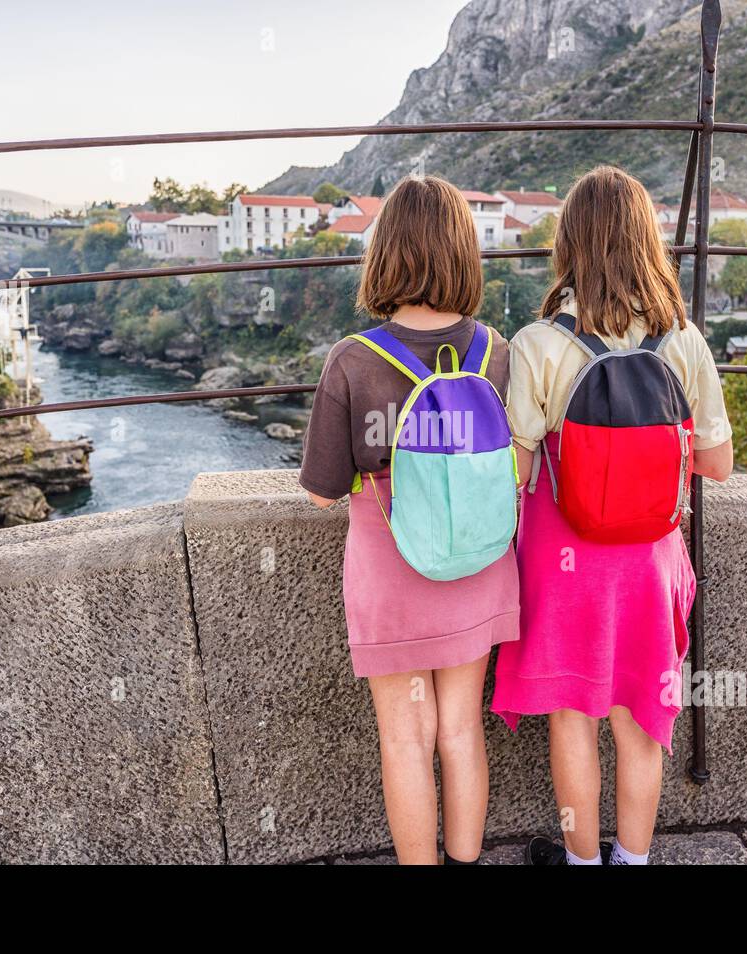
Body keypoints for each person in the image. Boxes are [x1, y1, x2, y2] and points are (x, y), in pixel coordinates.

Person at [491, 165, 734, 866]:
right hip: (648, 569)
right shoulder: (683, 340)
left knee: (574, 720)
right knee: (640, 726)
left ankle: (581, 862)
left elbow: (521, 470)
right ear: (646, 242)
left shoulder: (538, 343)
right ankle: (633, 862)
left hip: (568, 570)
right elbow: (716, 465)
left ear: (568, 243)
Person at [299, 174, 518, 865]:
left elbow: (322, 493)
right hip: (479, 563)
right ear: (464, 254)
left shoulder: (353, 360)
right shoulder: (497, 353)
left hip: (393, 569)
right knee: (460, 732)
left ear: (384, 253)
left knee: (404, 738)